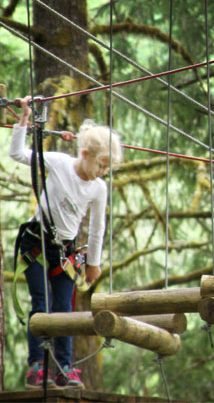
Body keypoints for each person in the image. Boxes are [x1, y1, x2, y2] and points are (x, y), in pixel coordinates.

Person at [10, 97, 122, 388]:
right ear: (84, 153)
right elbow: (19, 154)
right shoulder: (59, 163)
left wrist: (94, 263)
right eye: (100, 164)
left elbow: (98, 227)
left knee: (64, 309)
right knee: (41, 303)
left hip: (67, 252)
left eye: (107, 167)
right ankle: (36, 365)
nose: (102, 171)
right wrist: (23, 120)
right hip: (35, 242)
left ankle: (64, 367)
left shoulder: (99, 188)